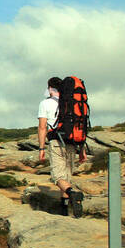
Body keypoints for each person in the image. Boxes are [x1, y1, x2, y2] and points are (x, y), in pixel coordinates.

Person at [38, 77, 83, 217]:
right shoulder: (71, 103)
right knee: (66, 178)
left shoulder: (45, 103)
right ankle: (65, 211)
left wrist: (41, 148)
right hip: (72, 142)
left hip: (57, 142)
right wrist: (82, 149)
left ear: (50, 88)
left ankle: (72, 194)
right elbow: (80, 125)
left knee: (58, 177)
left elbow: (42, 127)